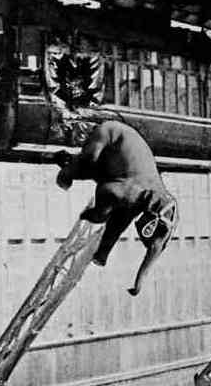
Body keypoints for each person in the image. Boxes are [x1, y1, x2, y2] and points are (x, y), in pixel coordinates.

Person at [54, 120, 179, 295]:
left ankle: (101, 254)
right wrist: (100, 214)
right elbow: (108, 189)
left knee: (121, 216)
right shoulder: (139, 191)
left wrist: (138, 283)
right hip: (109, 146)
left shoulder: (144, 195)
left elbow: (120, 221)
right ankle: (68, 172)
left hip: (113, 166)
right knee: (90, 163)